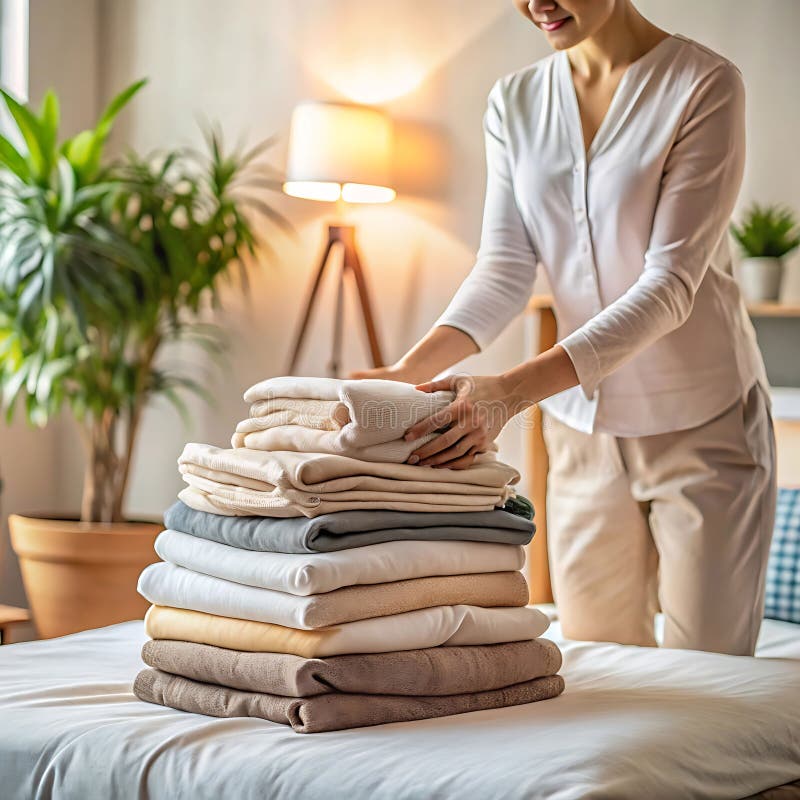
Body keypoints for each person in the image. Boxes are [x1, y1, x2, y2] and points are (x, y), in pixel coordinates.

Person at [352, 0, 776, 656]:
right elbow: (504, 270)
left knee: (708, 677)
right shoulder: (514, 102)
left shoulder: (703, 84)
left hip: (702, 421)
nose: (536, 4)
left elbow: (669, 287)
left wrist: (511, 391)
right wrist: (403, 375)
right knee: (602, 667)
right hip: (580, 432)